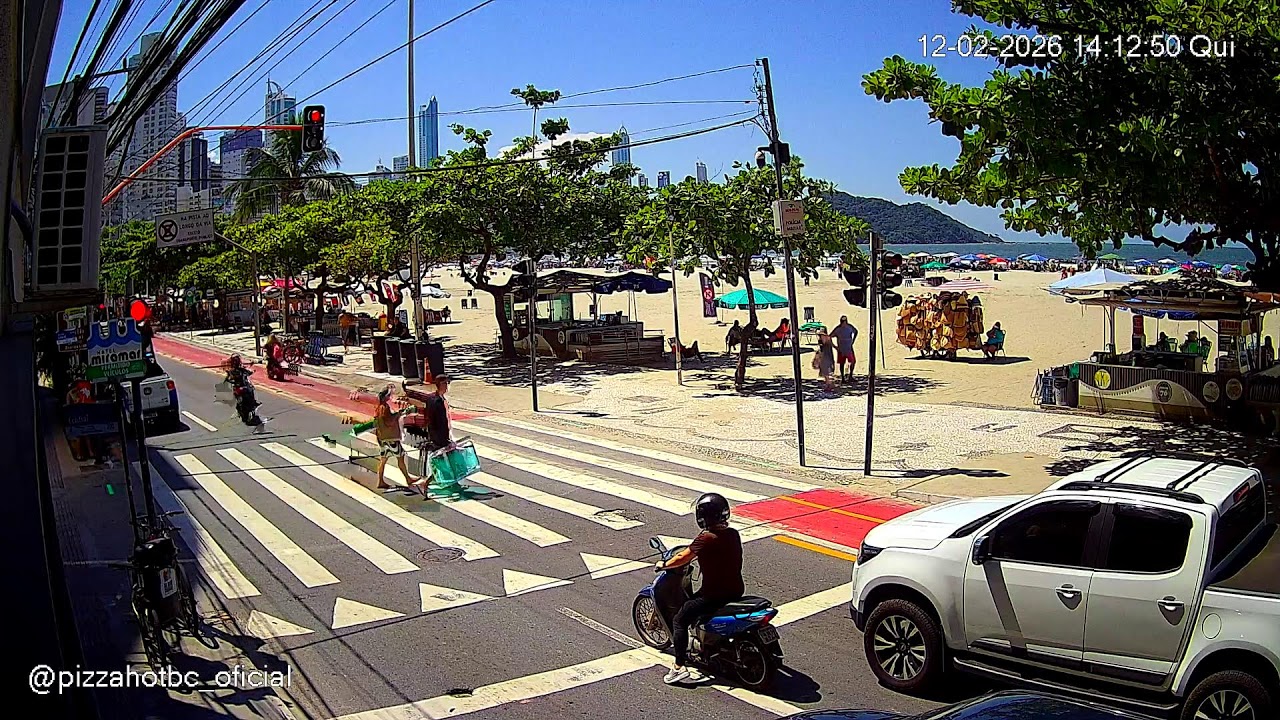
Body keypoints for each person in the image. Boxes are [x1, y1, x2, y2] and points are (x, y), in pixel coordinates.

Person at [659, 493, 743, 685]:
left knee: (680, 620)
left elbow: (683, 557)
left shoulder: (706, 538)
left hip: (713, 595)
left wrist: (663, 565)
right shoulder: (733, 534)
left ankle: (679, 667)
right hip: (736, 589)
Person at [410, 375, 455, 493]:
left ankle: (442, 481)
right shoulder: (436, 401)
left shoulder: (437, 399)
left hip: (441, 435)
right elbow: (434, 421)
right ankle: (427, 482)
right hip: (440, 436)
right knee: (443, 461)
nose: (447, 386)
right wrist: (444, 438)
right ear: (439, 385)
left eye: (447, 383)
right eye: (445, 384)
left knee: (443, 460)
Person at [374, 386, 416, 490]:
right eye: (389, 395)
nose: (391, 396)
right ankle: (408, 479)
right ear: (386, 397)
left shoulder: (379, 407)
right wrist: (399, 414)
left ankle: (380, 481)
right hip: (391, 439)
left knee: (383, 460)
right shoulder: (384, 408)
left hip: (383, 438)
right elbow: (389, 421)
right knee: (400, 458)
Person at [830, 316, 858, 382]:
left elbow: (856, 331)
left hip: (849, 348)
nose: (843, 323)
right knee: (842, 363)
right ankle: (843, 378)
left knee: (853, 361)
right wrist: (835, 347)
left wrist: (853, 341)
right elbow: (830, 337)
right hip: (841, 349)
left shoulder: (850, 327)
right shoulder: (838, 329)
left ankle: (850, 375)